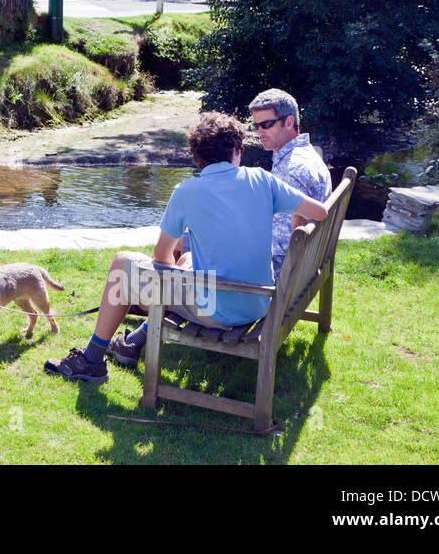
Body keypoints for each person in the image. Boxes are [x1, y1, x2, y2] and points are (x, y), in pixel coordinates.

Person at [45, 111, 328, 384]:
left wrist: (159, 291)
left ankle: (92, 360)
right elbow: (320, 212)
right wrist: (294, 216)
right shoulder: (262, 179)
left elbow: (160, 256)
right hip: (259, 303)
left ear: (197, 158)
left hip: (220, 310)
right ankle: (130, 343)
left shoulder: (187, 192)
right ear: (238, 150)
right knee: (188, 260)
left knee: (122, 263)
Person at [248, 89, 332, 282]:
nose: (260, 132)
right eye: (256, 126)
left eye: (266, 124)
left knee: (188, 254)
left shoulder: (292, 171)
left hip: (282, 277)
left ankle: (170, 305)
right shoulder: (307, 154)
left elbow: (283, 248)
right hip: (307, 266)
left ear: (289, 122)